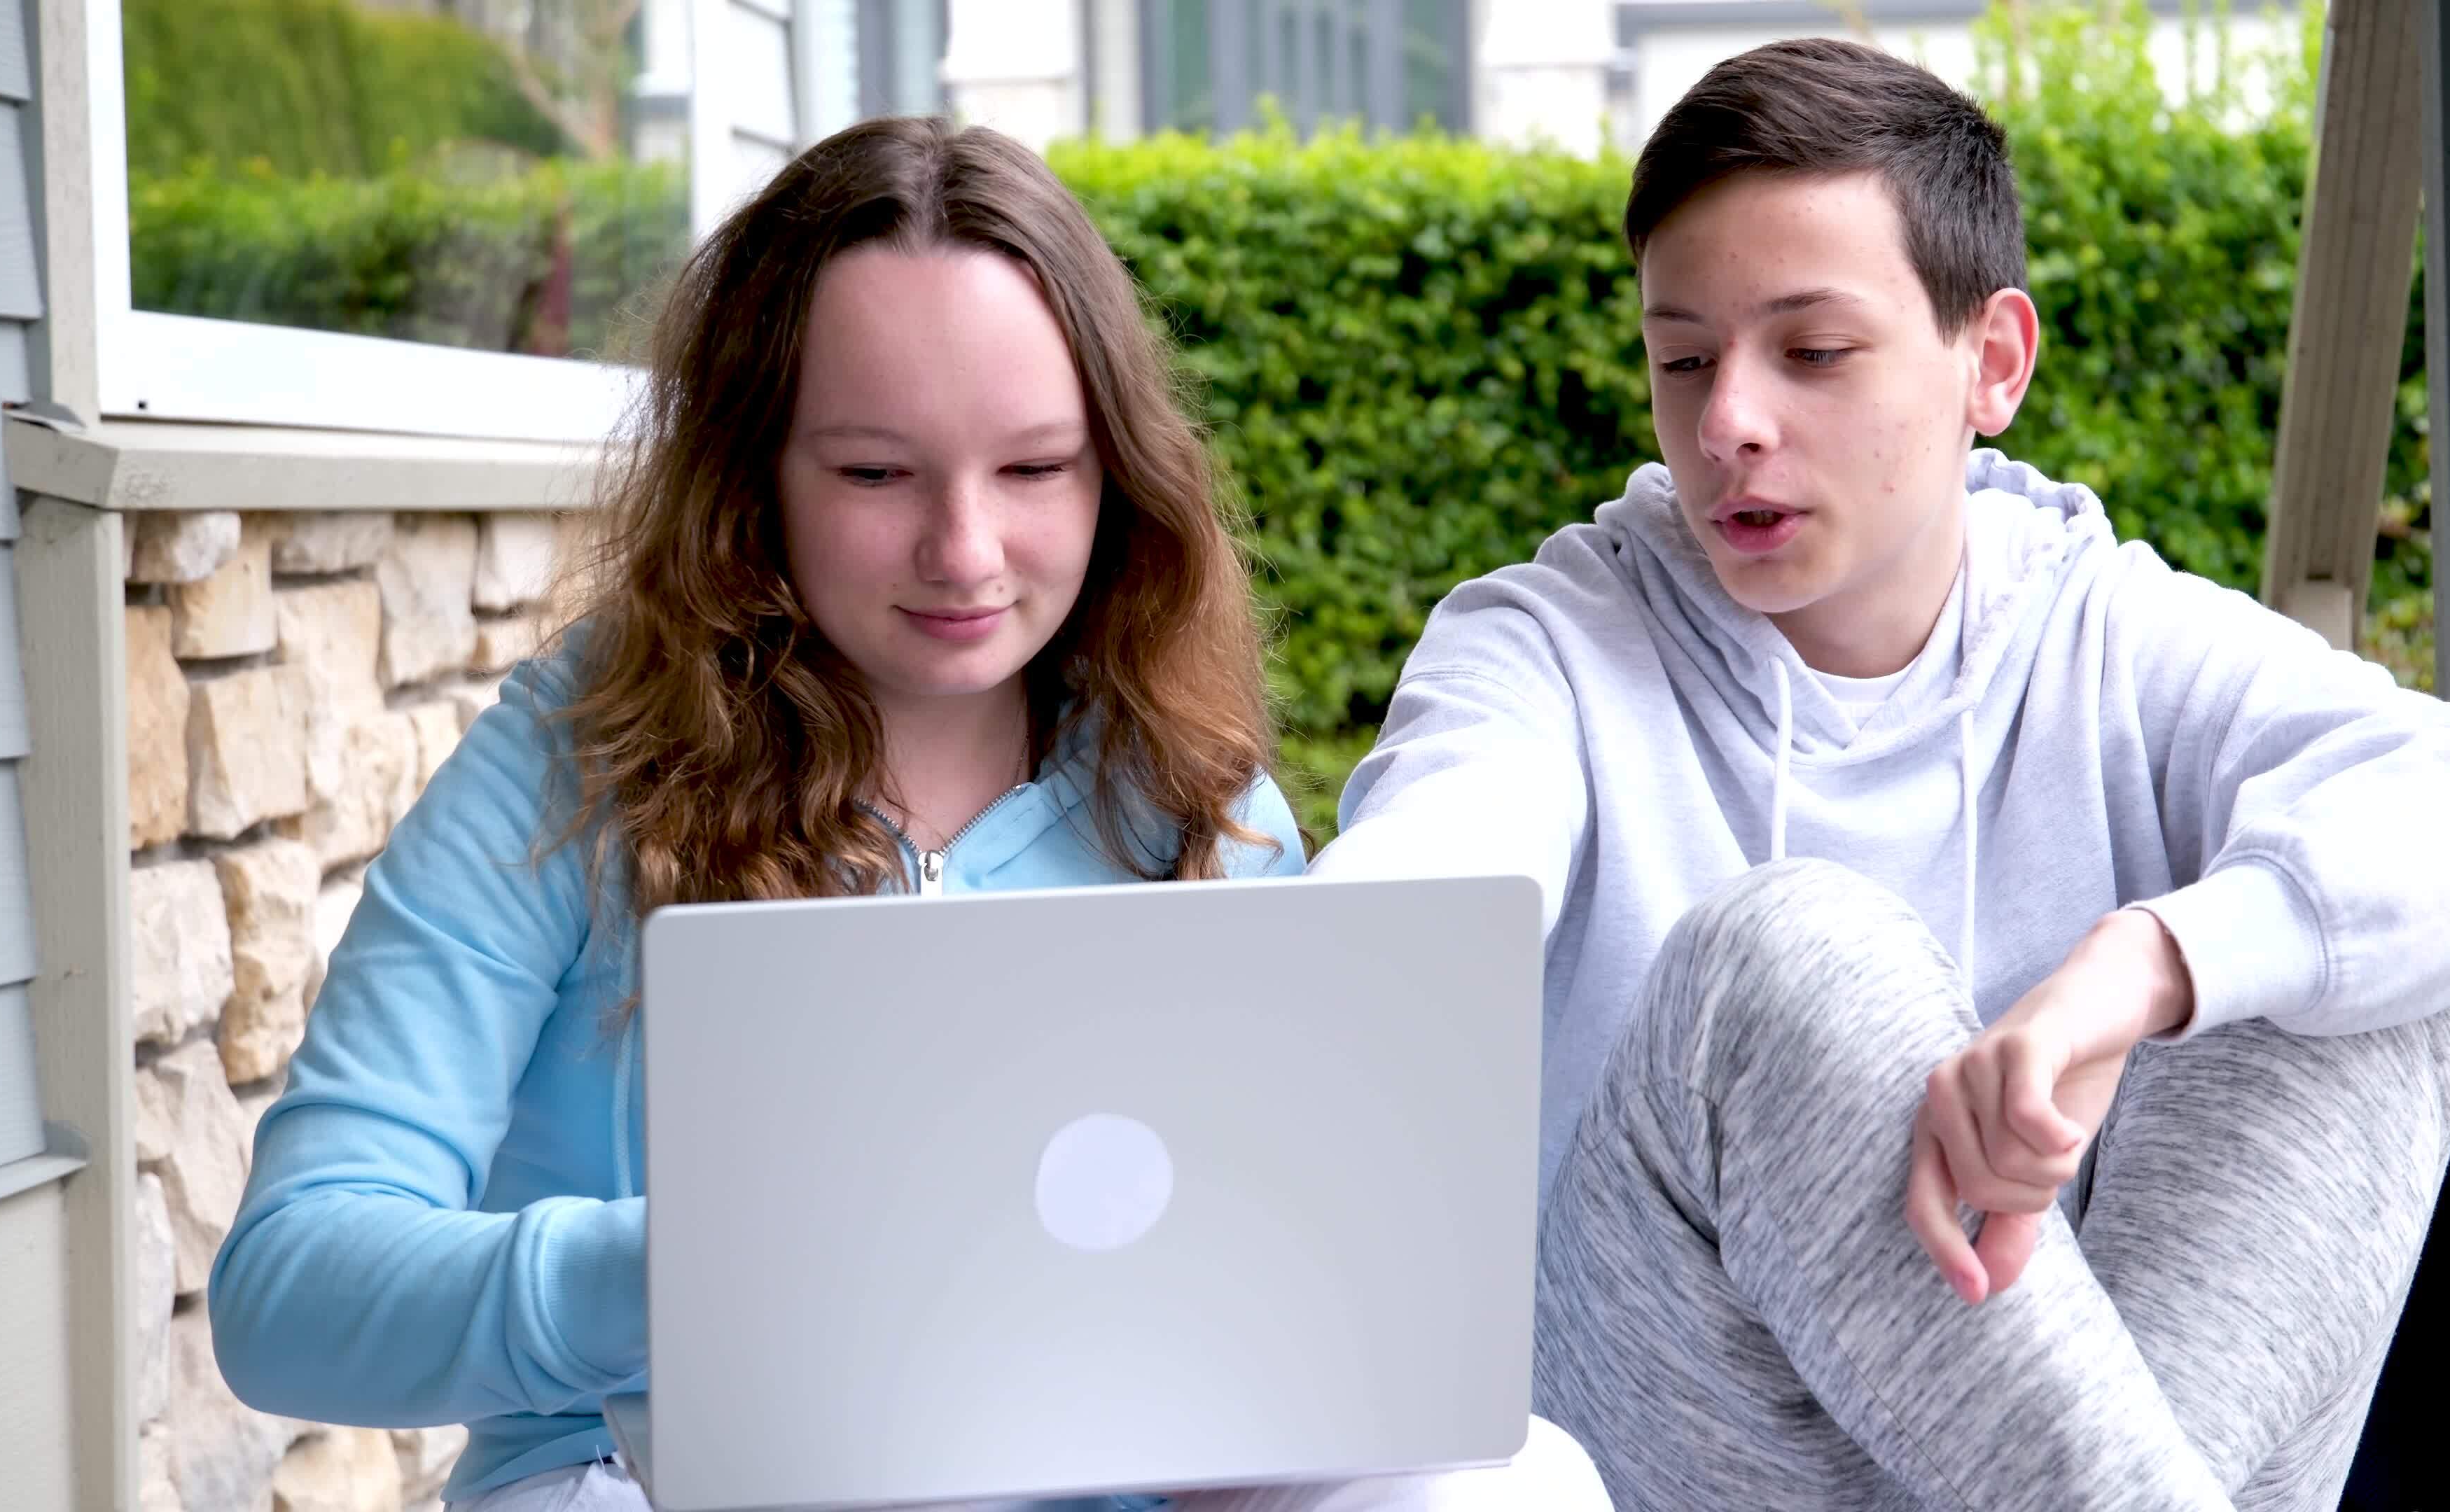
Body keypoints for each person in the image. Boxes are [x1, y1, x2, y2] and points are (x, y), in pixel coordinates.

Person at [207, 118, 1607, 1512]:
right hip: (648, 1487)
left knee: (1516, 1482)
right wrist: (678, 1276)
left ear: (1119, 470)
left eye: (1036, 468)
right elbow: (288, 1288)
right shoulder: (576, 766)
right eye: (877, 473)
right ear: (751, 476)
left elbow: (1290, 1302)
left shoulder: (1189, 789)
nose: (966, 551)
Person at [1309, 38, 2450, 1511]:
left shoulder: (2106, 632)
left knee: (2353, 943)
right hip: (1678, 1438)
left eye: (1810, 352)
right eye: (1683, 357)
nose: (1727, 421)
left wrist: (2148, 963)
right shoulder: (1547, 646)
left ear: (1992, 362)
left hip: (2067, 1444)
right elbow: (1434, 859)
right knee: (1788, 952)